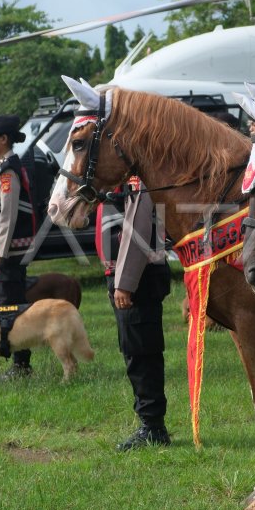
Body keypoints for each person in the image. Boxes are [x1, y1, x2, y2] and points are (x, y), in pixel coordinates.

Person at [101, 179, 174, 450]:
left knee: (142, 352)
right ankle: (149, 423)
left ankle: (153, 427)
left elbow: (138, 230)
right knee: (133, 349)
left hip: (137, 278)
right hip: (125, 276)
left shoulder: (136, 178)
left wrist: (125, 283)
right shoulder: (121, 175)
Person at [0, 114, 38, 379]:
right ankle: (18, 361)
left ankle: (21, 364)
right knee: (8, 303)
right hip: (7, 253)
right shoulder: (1, 166)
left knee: (12, 306)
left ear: (4, 139)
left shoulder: (8, 171)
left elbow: (8, 216)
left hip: (10, 254)